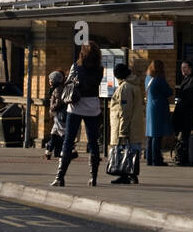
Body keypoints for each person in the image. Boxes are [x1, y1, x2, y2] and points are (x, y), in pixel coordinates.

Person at [51, 42, 104, 187]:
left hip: (76, 106)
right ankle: (93, 178)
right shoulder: (100, 69)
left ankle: (60, 177)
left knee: (68, 140)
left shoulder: (76, 66)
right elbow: (95, 84)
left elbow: (68, 83)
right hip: (93, 107)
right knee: (93, 142)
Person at [108, 62, 145, 184]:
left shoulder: (125, 87)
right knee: (133, 150)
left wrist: (122, 130)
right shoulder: (134, 85)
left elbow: (125, 111)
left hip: (126, 125)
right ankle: (132, 174)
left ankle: (124, 174)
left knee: (124, 150)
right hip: (135, 124)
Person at [144, 60, 172, 167]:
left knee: (150, 135)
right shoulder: (159, 80)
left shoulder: (148, 78)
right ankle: (156, 159)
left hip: (150, 107)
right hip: (158, 108)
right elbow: (169, 92)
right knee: (157, 135)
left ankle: (149, 159)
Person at [172, 60, 193, 165]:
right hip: (183, 113)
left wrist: (182, 101)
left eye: (185, 68)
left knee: (185, 136)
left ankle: (185, 158)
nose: (182, 70)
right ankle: (183, 157)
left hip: (187, 113)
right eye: (181, 68)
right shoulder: (186, 79)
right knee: (184, 136)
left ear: (190, 69)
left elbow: (190, 96)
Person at [43, 71, 70, 160]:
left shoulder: (58, 89)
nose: (49, 81)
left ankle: (71, 149)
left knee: (62, 132)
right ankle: (48, 152)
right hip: (56, 114)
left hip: (59, 113)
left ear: (55, 80)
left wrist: (52, 107)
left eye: (50, 80)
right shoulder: (55, 88)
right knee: (54, 133)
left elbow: (58, 102)